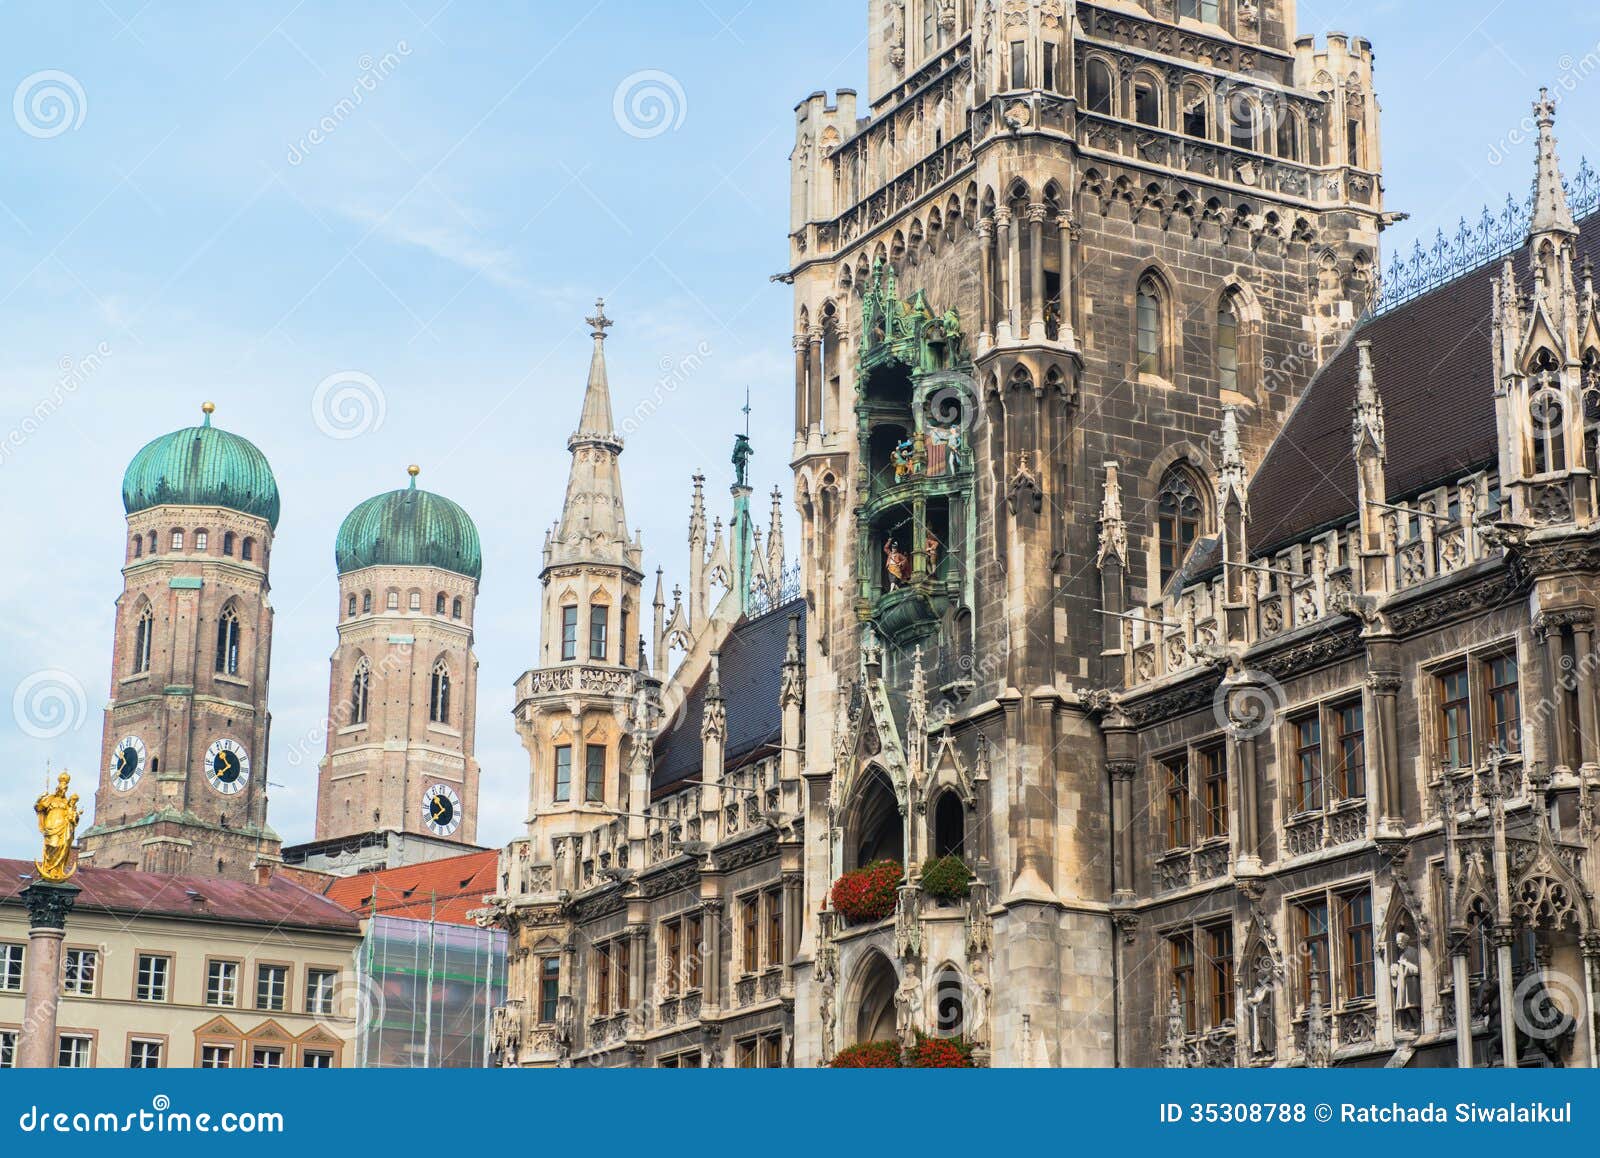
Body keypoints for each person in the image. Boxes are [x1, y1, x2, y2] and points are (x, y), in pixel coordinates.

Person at [34, 771, 81, 882]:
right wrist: (39, 799)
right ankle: (48, 869)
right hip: (51, 827)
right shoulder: (50, 799)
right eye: (61, 788)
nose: (63, 791)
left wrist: (76, 816)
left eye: (65, 789)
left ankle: (58, 870)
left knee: (63, 846)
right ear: (57, 788)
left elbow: (73, 817)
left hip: (63, 828)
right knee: (52, 846)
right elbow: (39, 808)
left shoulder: (67, 803)